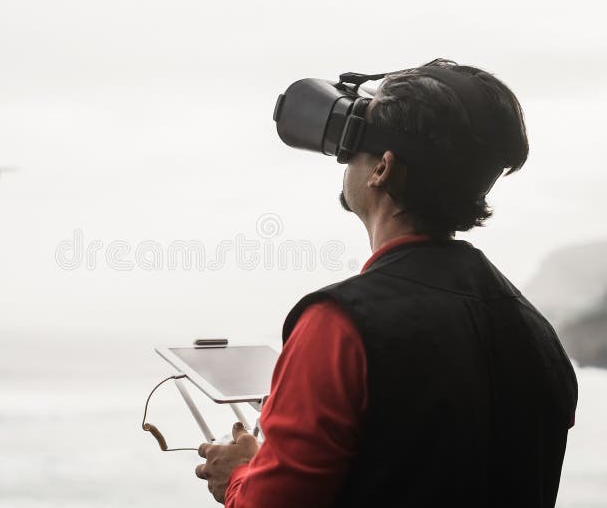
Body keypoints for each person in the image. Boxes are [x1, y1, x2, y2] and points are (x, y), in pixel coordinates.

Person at [194, 59, 579, 507]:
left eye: (352, 146)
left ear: (383, 169)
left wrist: (239, 473)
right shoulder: (537, 334)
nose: (344, 159)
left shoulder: (339, 326)